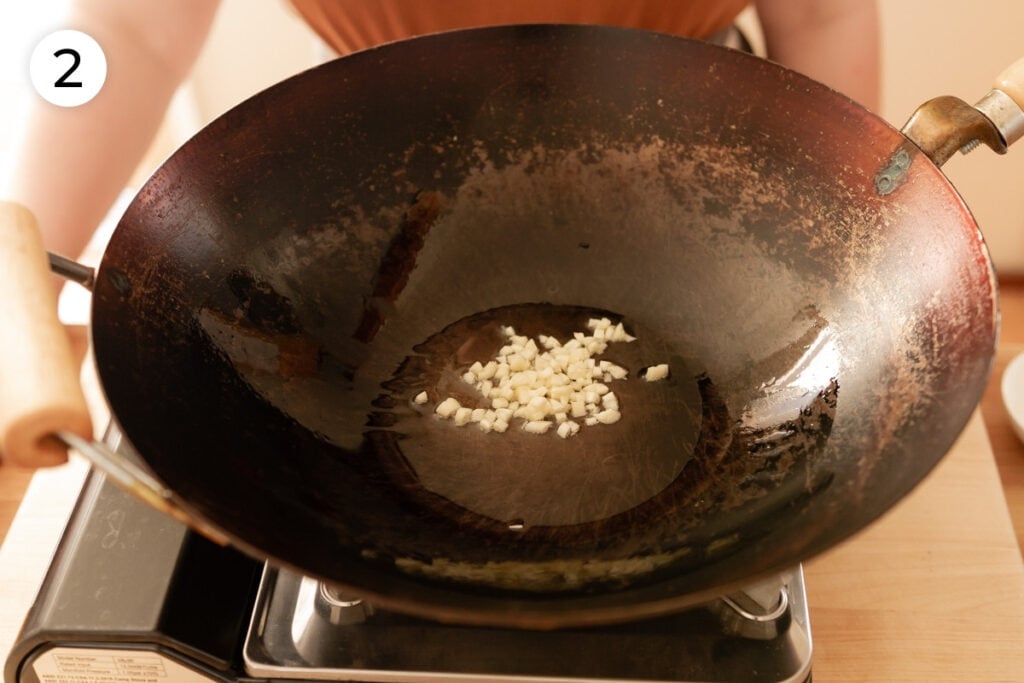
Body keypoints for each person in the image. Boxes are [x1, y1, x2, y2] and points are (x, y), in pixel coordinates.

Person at [0, 0, 879, 468]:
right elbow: (123, 33)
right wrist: (17, 258)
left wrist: (858, 260)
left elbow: (826, 13)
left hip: (690, 170)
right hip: (374, 186)